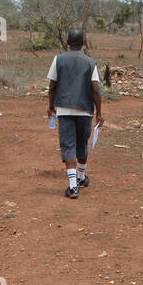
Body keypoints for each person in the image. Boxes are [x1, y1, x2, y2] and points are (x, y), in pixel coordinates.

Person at [47, 29, 104, 198]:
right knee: (82, 144)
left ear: (67, 42)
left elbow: (52, 87)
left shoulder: (58, 59)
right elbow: (96, 90)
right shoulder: (90, 62)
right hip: (85, 110)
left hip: (64, 109)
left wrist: (51, 106)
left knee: (68, 145)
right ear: (83, 43)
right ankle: (80, 177)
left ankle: (73, 187)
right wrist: (99, 113)